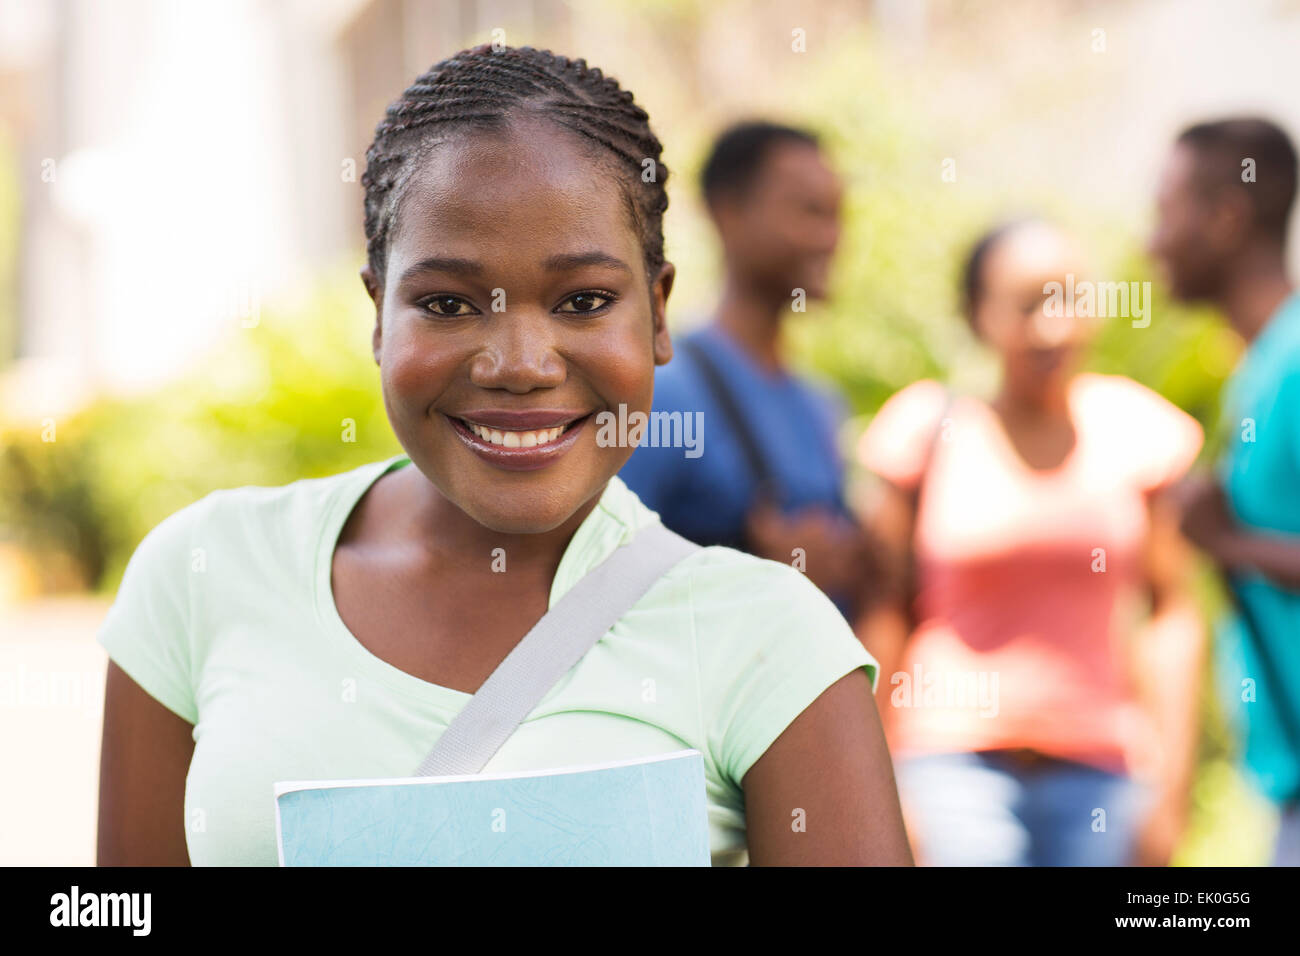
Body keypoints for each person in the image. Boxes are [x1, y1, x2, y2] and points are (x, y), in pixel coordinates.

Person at [94, 45, 912, 867]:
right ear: (380, 314)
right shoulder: (204, 573)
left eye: (585, 301)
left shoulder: (771, 640)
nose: (519, 363)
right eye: (446, 303)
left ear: (658, 313)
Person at [856, 218, 1206, 866]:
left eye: (1071, 299)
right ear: (978, 315)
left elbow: (1171, 615)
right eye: (1028, 305)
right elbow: (883, 614)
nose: (1054, 326)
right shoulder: (926, 431)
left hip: (1101, 771)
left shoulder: (1135, 429)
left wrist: (1173, 788)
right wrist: (876, 790)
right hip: (948, 768)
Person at [617, 121, 875, 620]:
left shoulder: (822, 405)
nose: (832, 238)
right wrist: (762, 583)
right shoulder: (664, 392)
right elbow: (592, 580)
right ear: (727, 212)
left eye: (838, 216)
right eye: (809, 212)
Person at [1148, 116, 1300, 865]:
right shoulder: (1261, 368)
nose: (1153, 242)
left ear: (1227, 216)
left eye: (1166, 211)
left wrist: (1226, 541)